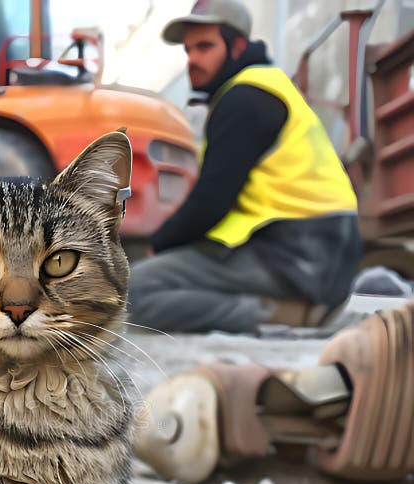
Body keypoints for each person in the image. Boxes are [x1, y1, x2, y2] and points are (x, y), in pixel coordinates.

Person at [128, 0, 362, 333]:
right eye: (189, 50)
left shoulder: (245, 99)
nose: (193, 59)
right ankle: (292, 308)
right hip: (322, 254)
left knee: (133, 292)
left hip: (296, 255)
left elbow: (211, 202)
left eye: (205, 47)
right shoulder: (266, 88)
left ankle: (276, 314)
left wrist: (158, 245)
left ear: (238, 46)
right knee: (165, 277)